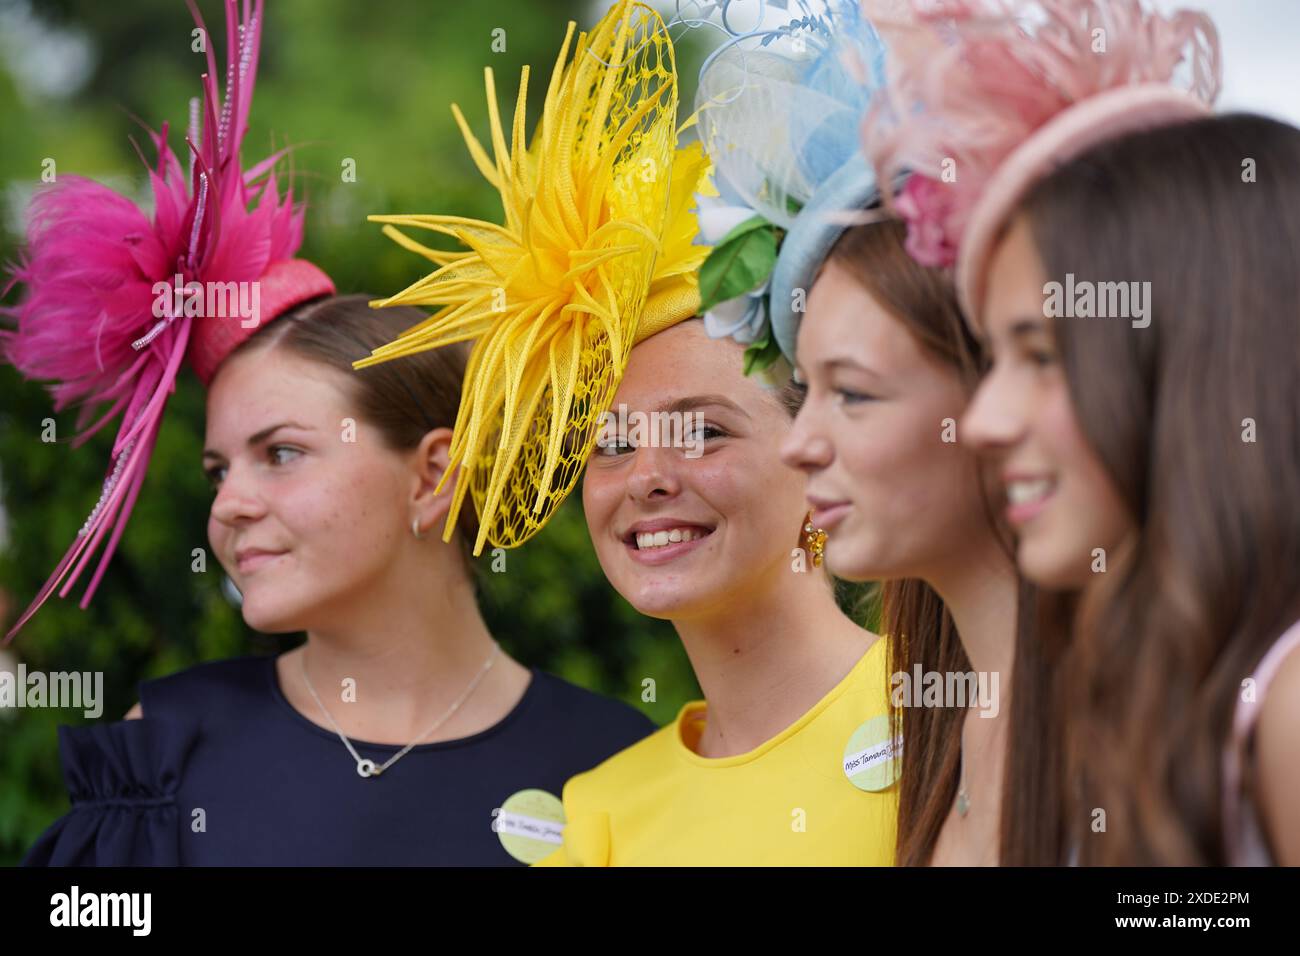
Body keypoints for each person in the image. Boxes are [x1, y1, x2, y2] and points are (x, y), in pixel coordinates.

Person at [11, 0, 653, 867]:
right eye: (216, 470)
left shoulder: (616, 767)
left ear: (432, 477)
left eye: (280, 454)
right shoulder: (163, 754)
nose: (228, 507)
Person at [355, 0, 899, 865]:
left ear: (816, 452)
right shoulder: (601, 811)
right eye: (609, 443)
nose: (645, 475)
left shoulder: (958, 710)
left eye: (705, 432)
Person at [872, 0, 1299, 864]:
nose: (985, 422)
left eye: (1041, 356)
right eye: (992, 359)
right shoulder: (1158, 698)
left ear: (1189, 350)